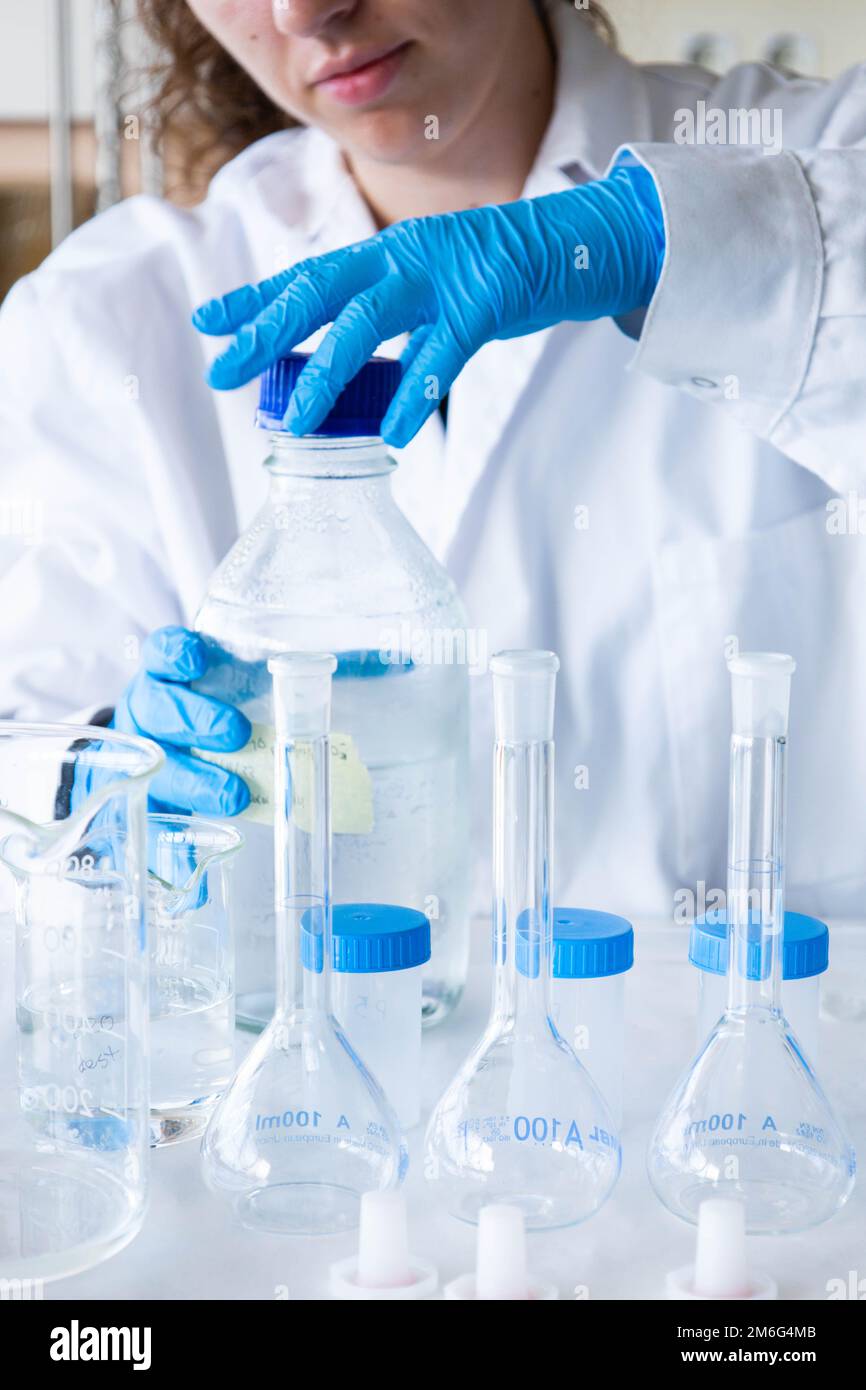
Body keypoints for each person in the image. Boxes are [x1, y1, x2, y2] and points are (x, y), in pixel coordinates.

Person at [1, 0, 865, 920]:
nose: (307, 10)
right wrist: (99, 769)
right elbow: (26, 754)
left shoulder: (819, 152)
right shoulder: (109, 316)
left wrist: (666, 241)